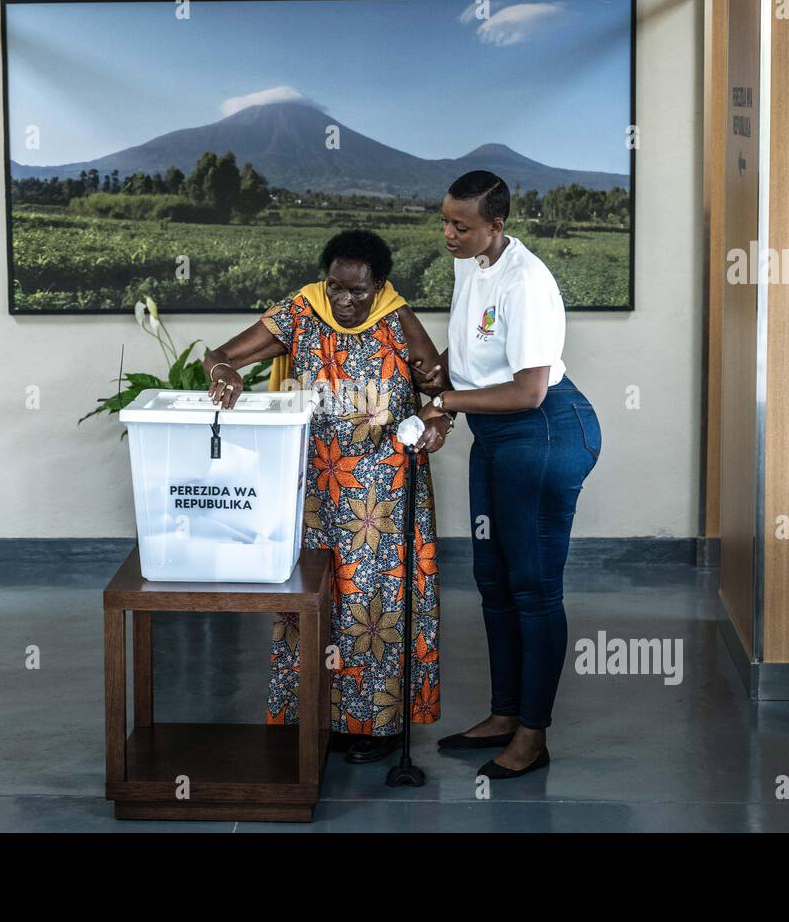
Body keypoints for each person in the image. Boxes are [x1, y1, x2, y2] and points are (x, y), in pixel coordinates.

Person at [204, 230, 452, 764]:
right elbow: (222, 355)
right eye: (336, 287)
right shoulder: (301, 311)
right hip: (316, 487)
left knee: (374, 605)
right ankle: (324, 715)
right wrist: (223, 372)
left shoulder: (397, 318)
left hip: (385, 495)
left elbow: (438, 386)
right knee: (316, 601)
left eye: (358, 291)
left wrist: (439, 416)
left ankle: (377, 726)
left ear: (379, 285)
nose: (345, 300)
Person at [415, 171, 602, 779]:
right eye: (444, 220)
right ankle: (503, 714)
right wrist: (441, 372)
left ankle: (532, 734)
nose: (448, 234)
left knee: (533, 587)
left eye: (460, 225)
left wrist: (444, 405)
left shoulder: (528, 282)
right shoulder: (470, 261)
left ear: (497, 225)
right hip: (496, 438)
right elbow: (471, 346)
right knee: (492, 578)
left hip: (544, 433)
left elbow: (527, 390)